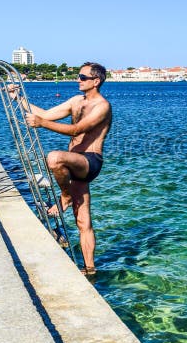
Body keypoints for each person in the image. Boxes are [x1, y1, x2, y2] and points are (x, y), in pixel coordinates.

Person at [8, 62, 111, 275]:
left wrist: (42, 124)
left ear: (96, 81)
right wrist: (19, 99)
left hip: (89, 161)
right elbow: (46, 114)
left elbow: (75, 129)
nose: (78, 80)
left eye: (82, 77)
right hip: (73, 162)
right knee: (83, 220)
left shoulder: (102, 107)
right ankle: (90, 268)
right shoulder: (76, 101)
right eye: (78, 76)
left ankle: (65, 196)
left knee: (54, 158)